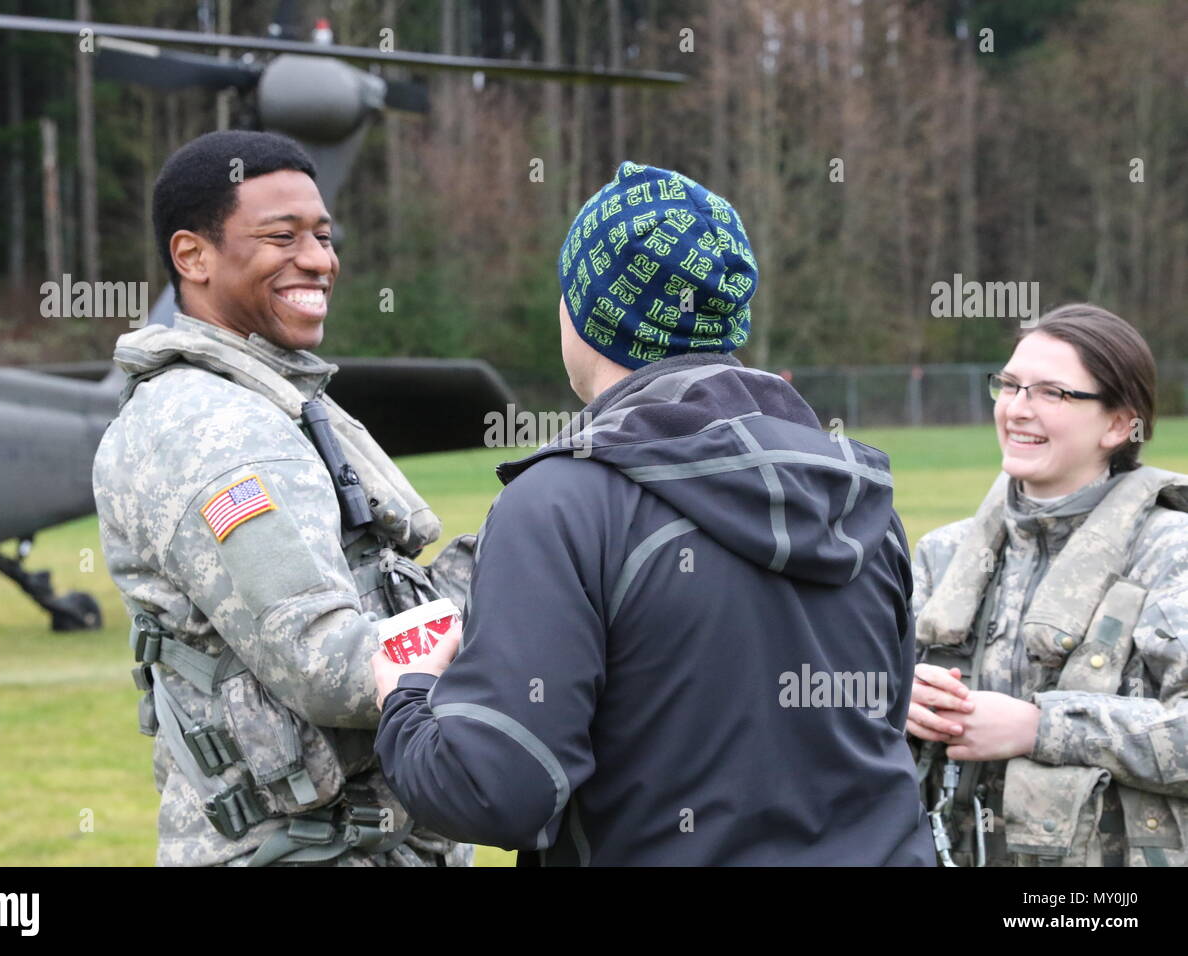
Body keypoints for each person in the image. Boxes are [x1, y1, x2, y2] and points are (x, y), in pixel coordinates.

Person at [370, 161, 936, 866]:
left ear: (587, 310)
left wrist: (406, 698)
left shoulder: (560, 502)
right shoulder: (854, 493)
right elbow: (876, 725)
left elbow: (493, 790)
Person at [93, 130, 473, 867]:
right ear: (192, 256)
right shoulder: (212, 428)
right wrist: (528, 593)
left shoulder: (273, 399)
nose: (319, 260)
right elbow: (330, 664)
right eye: (281, 237)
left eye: (324, 237)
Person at [907, 304, 1188, 866]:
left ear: (1118, 424)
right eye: (1010, 385)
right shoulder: (943, 554)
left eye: (1052, 393)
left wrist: (1041, 727)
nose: (1017, 408)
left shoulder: (1171, 552)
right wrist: (900, 702)